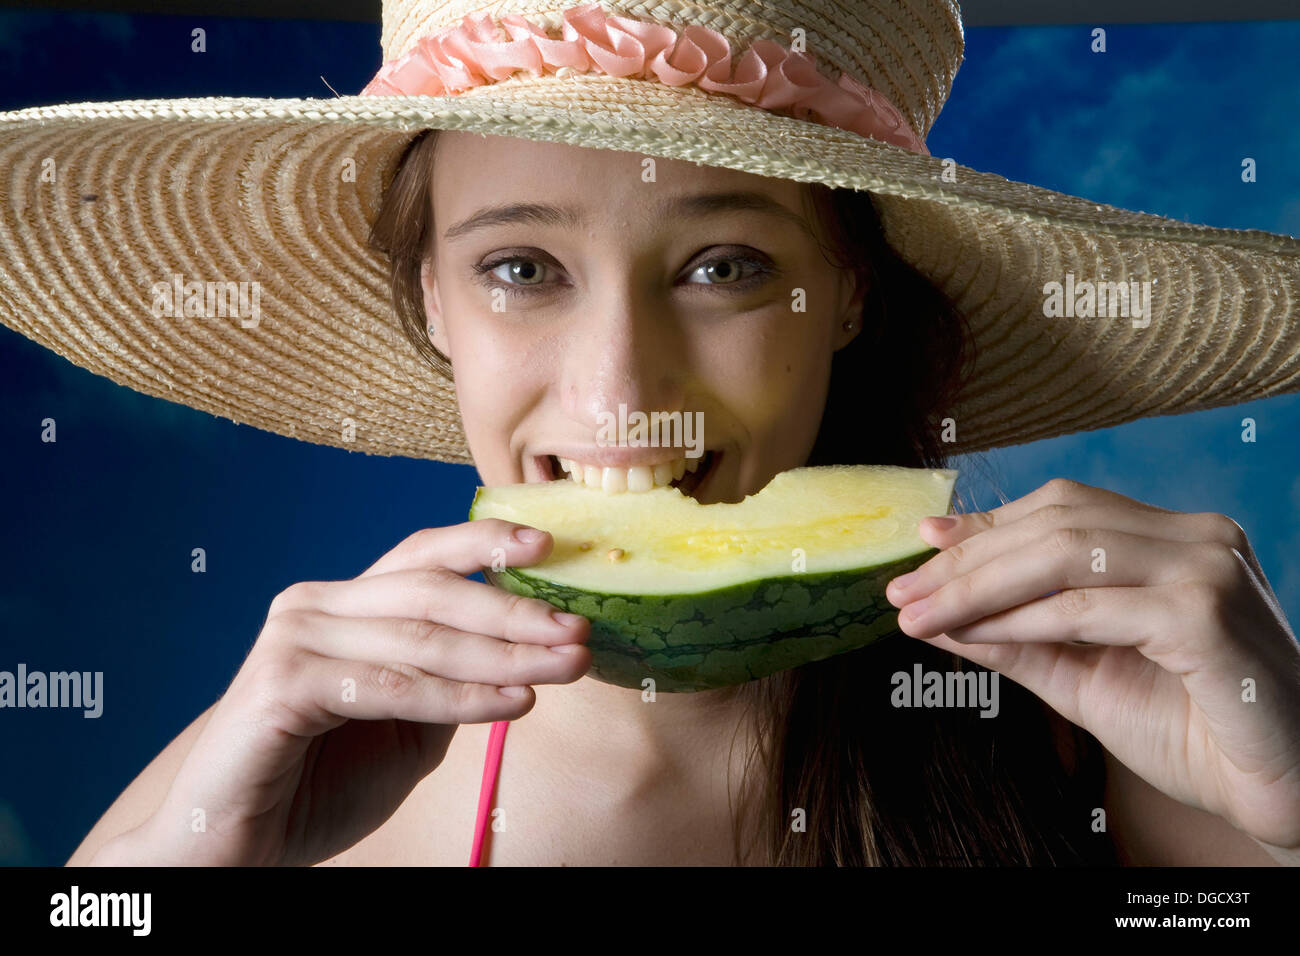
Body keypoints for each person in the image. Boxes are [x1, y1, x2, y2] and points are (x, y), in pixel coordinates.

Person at [2, 0, 1296, 866]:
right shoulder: (274, 772)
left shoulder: (1108, 741)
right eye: (520, 268)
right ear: (435, 304)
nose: (622, 394)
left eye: (725, 264)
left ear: (848, 294)